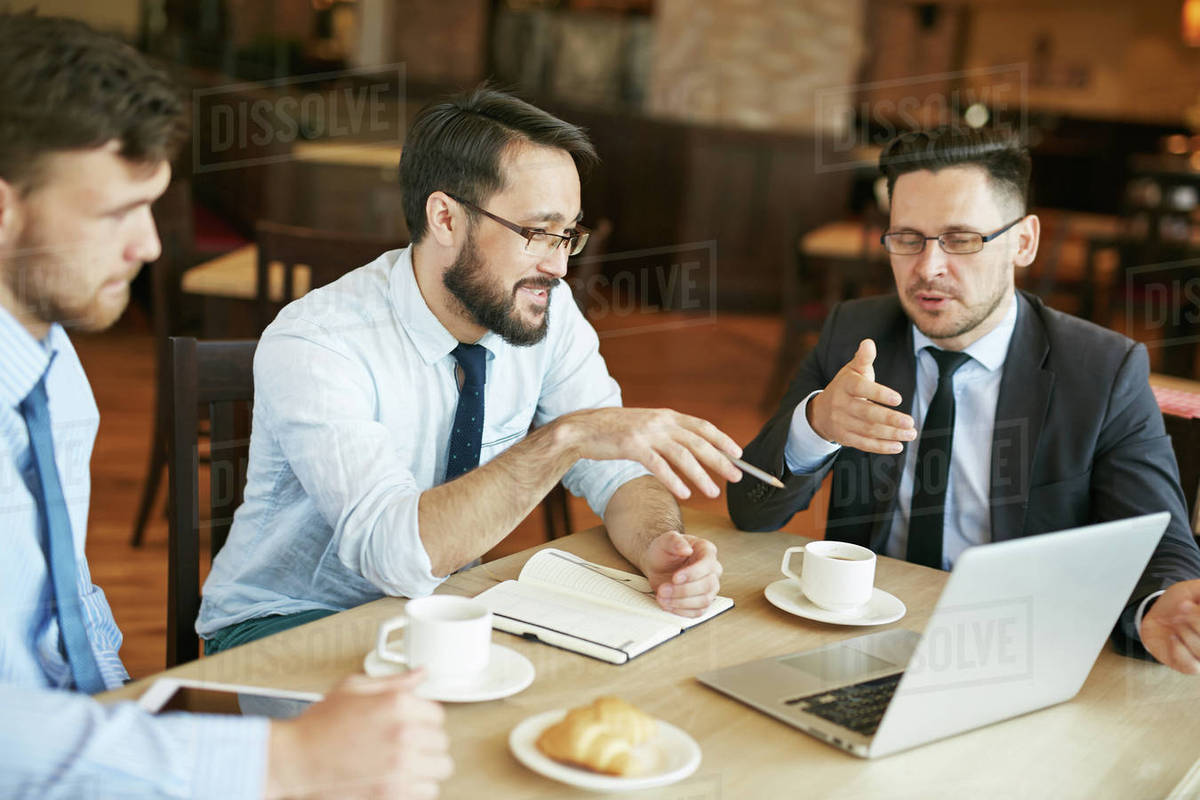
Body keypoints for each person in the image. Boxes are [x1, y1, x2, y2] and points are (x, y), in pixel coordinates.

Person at [0, 13, 452, 798]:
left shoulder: (52, 365)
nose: (148, 246)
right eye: (115, 213)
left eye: (152, 205)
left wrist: (152, 716)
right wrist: (283, 761)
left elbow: (57, 616)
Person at [197, 87, 744, 652]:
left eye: (568, 235)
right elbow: (394, 556)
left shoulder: (545, 309)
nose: (559, 266)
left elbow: (618, 472)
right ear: (445, 218)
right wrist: (566, 437)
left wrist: (659, 545)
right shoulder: (319, 341)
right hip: (286, 623)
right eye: (538, 233)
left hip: (446, 611)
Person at [728, 126, 1200, 675]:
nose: (928, 268)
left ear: (1024, 242)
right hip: (864, 641)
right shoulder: (855, 336)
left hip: (1020, 652)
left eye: (961, 239)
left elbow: (1163, 541)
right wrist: (816, 424)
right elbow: (749, 509)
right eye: (907, 238)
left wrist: (1160, 605)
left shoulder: (1102, 370)